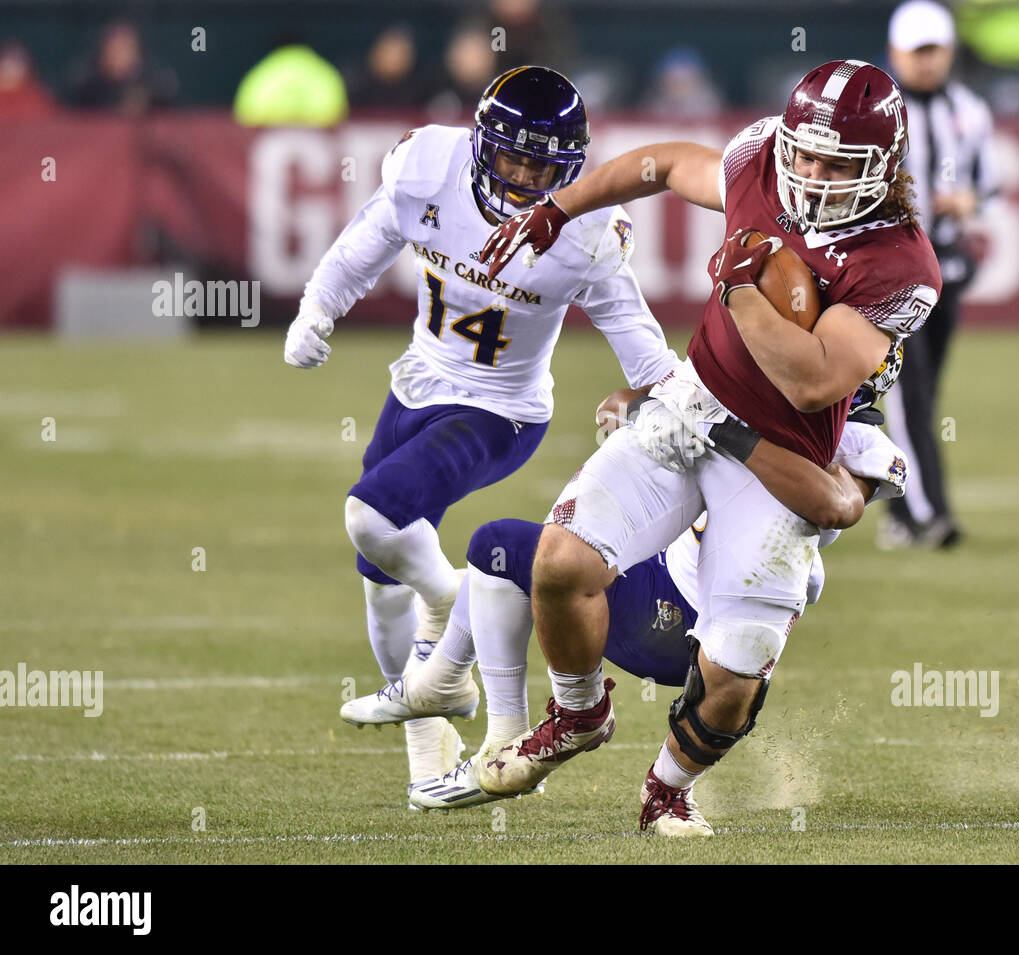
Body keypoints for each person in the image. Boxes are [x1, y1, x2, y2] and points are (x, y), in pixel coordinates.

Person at [472, 59, 940, 835]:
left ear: (883, 167)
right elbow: (662, 164)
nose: (814, 174)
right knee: (561, 560)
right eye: (807, 154)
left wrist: (740, 289)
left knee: (736, 665)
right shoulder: (762, 157)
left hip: (779, 452)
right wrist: (560, 204)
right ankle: (579, 715)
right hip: (695, 403)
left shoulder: (901, 266)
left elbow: (816, 382)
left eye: (837, 163)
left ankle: (667, 787)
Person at [284, 66, 677, 789]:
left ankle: (455, 603)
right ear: (478, 146)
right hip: (415, 384)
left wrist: (668, 394)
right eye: (512, 157)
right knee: (379, 583)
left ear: (571, 168)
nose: (525, 176)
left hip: (500, 410)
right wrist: (318, 307)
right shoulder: (427, 166)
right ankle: (428, 762)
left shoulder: (586, 231)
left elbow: (638, 337)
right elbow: (364, 242)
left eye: (542, 164)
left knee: (371, 517)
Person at [343, 382, 908, 823]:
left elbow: (833, 502)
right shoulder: (752, 396)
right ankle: (450, 685)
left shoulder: (853, 443)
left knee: (504, 546)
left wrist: (730, 430)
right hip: (699, 618)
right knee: (546, 545)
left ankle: (494, 720)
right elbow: (662, 399)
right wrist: (641, 404)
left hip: (676, 614)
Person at [879, 0, 999, 549]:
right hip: (891, 270)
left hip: (945, 264)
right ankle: (931, 515)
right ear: (896, 52)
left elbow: (989, 182)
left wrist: (968, 200)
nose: (926, 62)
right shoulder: (879, 111)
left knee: (924, 397)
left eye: (935, 51)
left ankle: (902, 512)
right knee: (908, 392)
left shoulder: (969, 111)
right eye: (917, 51)